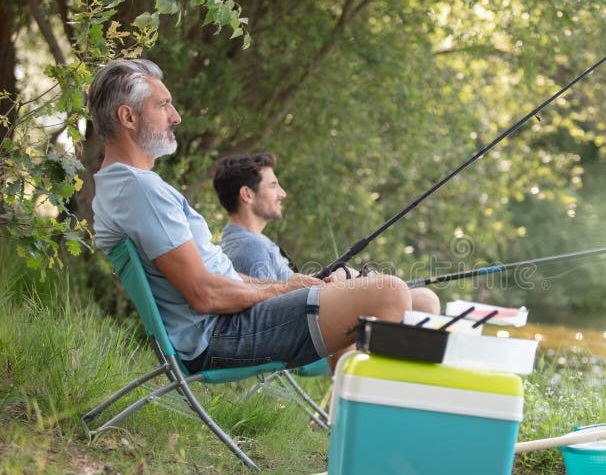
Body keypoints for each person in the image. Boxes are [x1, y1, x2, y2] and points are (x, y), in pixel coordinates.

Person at [88, 59, 411, 374]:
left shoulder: (123, 186)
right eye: (163, 106)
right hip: (221, 335)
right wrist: (281, 291)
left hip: (226, 325)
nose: (176, 116)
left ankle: (357, 415)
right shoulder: (139, 189)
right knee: (388, 293)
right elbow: (205, 294)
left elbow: (216, 277)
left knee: (357, 285)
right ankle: (377, 420)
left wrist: (284, 284)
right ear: (128, 117)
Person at [210, 152, 441, 314]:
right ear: (247, 195)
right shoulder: (250, 247)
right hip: (304, 332)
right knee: (422, 300)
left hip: (310, 317)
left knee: (416, 297)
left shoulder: (250, 240)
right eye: (273, 186)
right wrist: (345, 285)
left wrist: (341, 280)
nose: (282, 193)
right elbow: (266, 311)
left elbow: (281, 288)